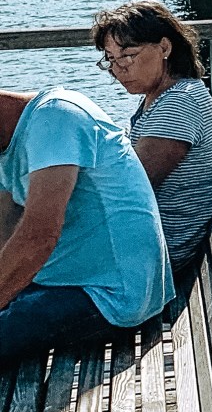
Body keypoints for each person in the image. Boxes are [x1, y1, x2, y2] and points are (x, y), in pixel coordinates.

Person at [0, 84, 171, 363]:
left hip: (112, 295)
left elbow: (39, 237)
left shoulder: (56, 117)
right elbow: (6, 232)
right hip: (64, 281)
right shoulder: (7, 143)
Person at [93, 1, 212, 285]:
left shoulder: (178, 105)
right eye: (111, 59)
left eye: (128, 55)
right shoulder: (165, 96)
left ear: (165, 47)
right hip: (151, 248)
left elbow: (130, 189)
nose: (118, 69)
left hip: (156, 260)